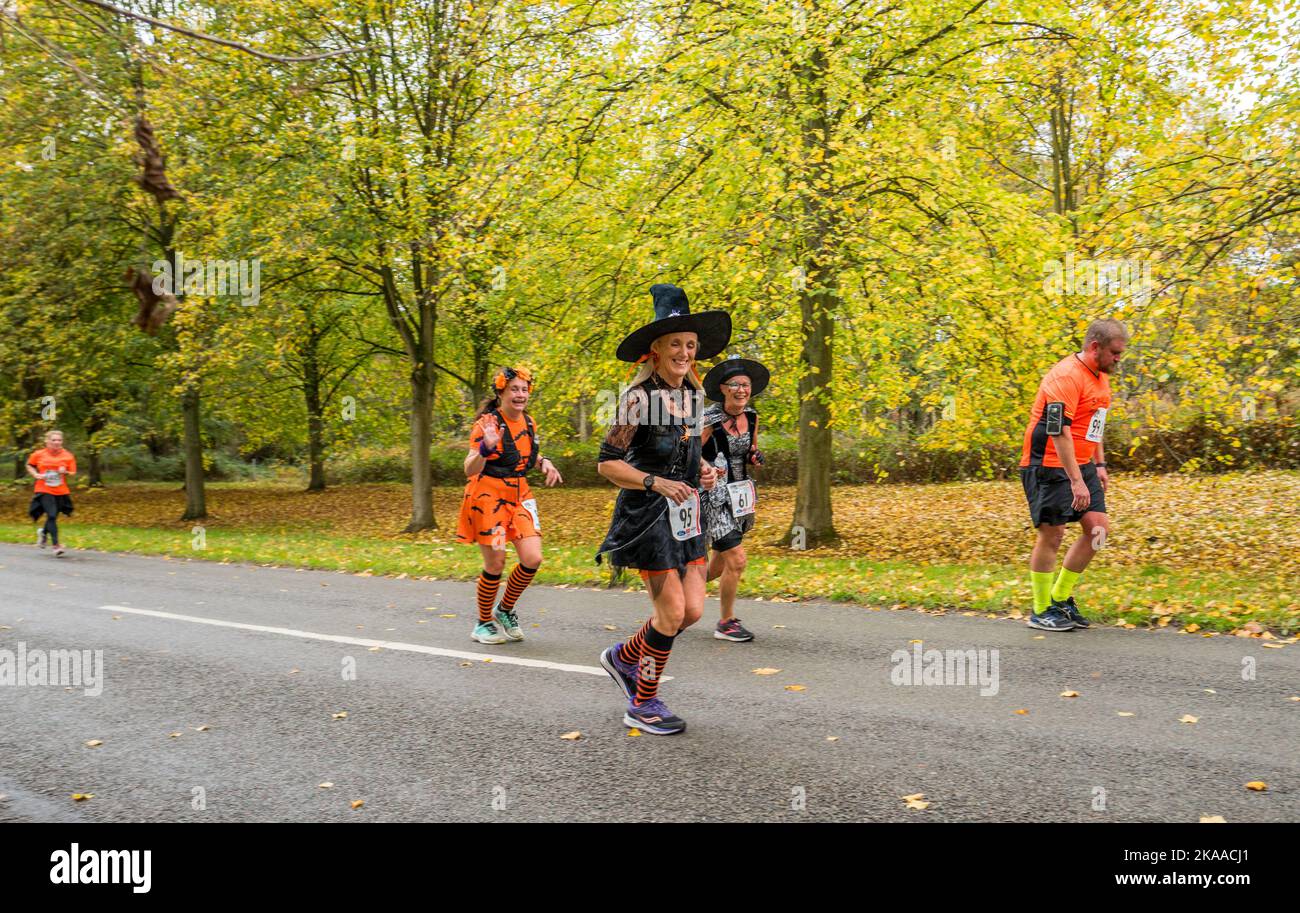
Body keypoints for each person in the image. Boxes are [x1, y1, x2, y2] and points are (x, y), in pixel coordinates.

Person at [596, 283, 730, 735]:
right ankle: (644, 701)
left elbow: (689, 456)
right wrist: (655, 481)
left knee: (691, 612)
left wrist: (705, 471)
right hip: (648, 517)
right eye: (676, 343)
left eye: (691, 345)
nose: (685, 351)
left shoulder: (692, 399)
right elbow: (607, 463)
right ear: (655, 349)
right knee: (670, 613)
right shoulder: (637, 401)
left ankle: (622, 657)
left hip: (685, 515)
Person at [1019, 319, 1127, 631]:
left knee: (1098, 531)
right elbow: (1058, 430)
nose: (1119, 358)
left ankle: (1061, 598)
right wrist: (1076, 480)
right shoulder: (1065, 377)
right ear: (1095, 347)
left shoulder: (1101, 377)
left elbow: (1095, 425)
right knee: (1052, 534)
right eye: (1115, 352)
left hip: (1083, 463)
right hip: (1048, 463)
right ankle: (1041, 610)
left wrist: (1100, 465)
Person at [456, 367, 563, 644]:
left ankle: (504, 609)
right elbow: (469, 468)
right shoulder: (486, 424)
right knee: (496, 562)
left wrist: (544, 462)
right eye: (514, 389)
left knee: (532, 558)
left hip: (520, 496)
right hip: (487, 497)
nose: (520, 394)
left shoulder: (529, 422)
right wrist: (485, 449)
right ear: (501, 392)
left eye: (524, 389)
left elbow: (527, 454)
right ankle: (482, 623)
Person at [699, 355, 770, 642]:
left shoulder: (751, 416)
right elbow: (687, 455)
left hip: (740, 496)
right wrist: (704, 468)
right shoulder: (708, 420)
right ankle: (726, 623)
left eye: (746, 385)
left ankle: (675, 588)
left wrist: (755, 456)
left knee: (717, 566)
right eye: (736, 385)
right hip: (714, 496)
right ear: (724, 389)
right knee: (737, 560)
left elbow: (749, 450)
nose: (742, 390)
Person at [27, 429, 77, 557]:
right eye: (53, 440)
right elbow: (29, 465)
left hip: (61, 490)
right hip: (43, 489)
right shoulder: (39, 454)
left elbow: (72, 472)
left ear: (62, 441)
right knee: (52, 515)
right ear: (47, 441)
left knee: (52, 517)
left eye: (59, 440)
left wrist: (64, 471)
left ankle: (43, 533)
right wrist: (36, 474)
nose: (56, 442)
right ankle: (56, 545)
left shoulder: (68, 455)